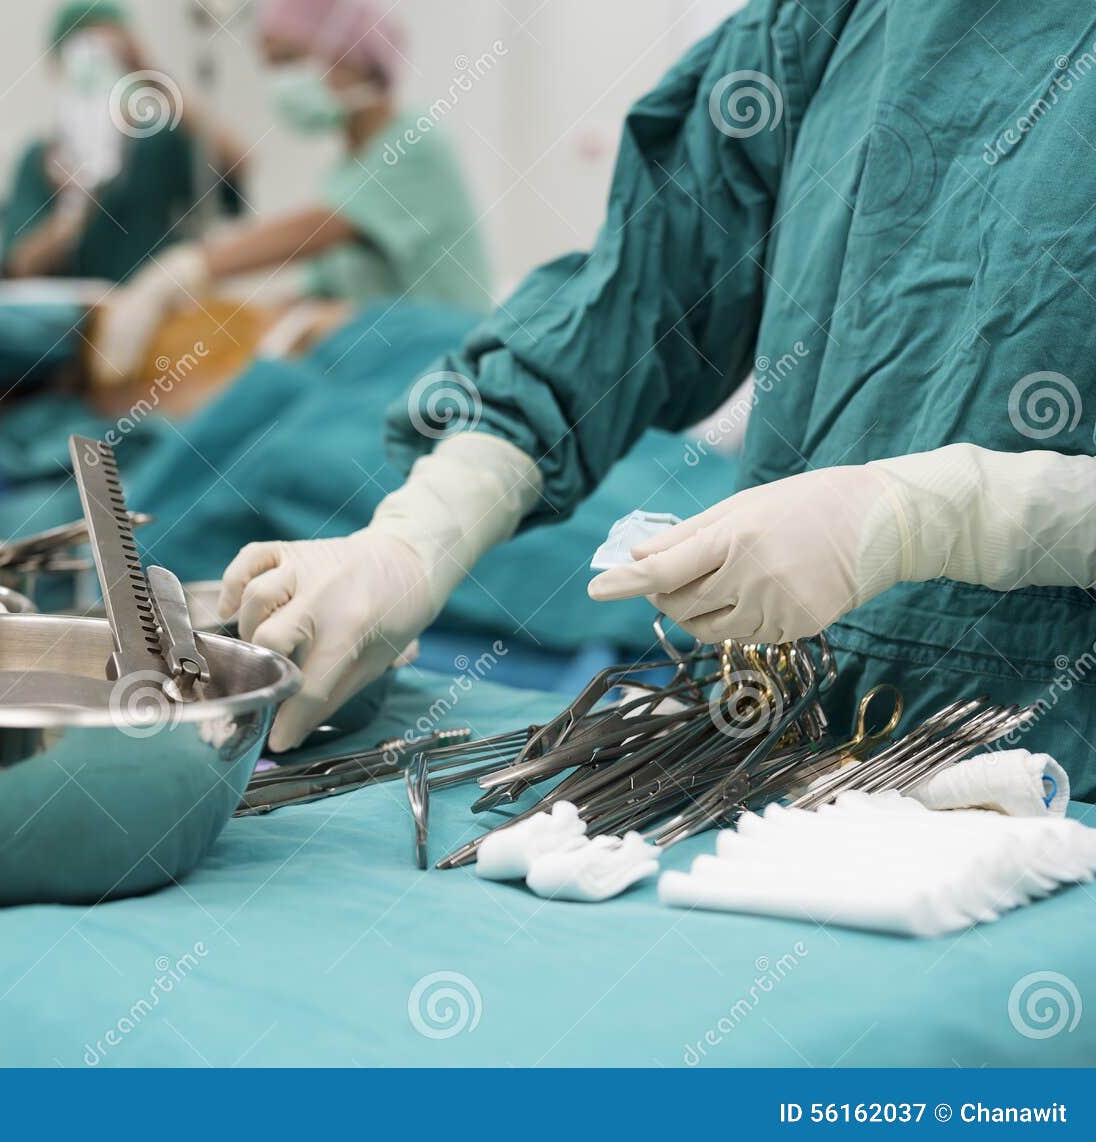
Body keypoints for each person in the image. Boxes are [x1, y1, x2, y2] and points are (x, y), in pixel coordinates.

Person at [215, 0, 1096, 799]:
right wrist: (416, 538)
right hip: (782, 746)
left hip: (1064, 776)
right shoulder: (831, 19)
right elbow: (637, 298)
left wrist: (943, 517)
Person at [91, 0, 492, 385]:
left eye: (290, 61)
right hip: (379, 366)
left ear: (351, 55)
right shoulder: (344, 171)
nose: (282, 84)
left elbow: (315, 229)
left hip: (438, 367)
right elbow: (322, 296)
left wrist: (186, 270)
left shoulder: (416, 142)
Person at [0, 1, 249, 283]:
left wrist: (152, 75)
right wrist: (78, 204)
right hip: (79, 316)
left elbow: (238, 161)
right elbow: (19, 267)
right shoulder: (40, 158)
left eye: (109, 53)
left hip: (157, 308)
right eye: (82, 53)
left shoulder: (156, 144)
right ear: (57, 65)